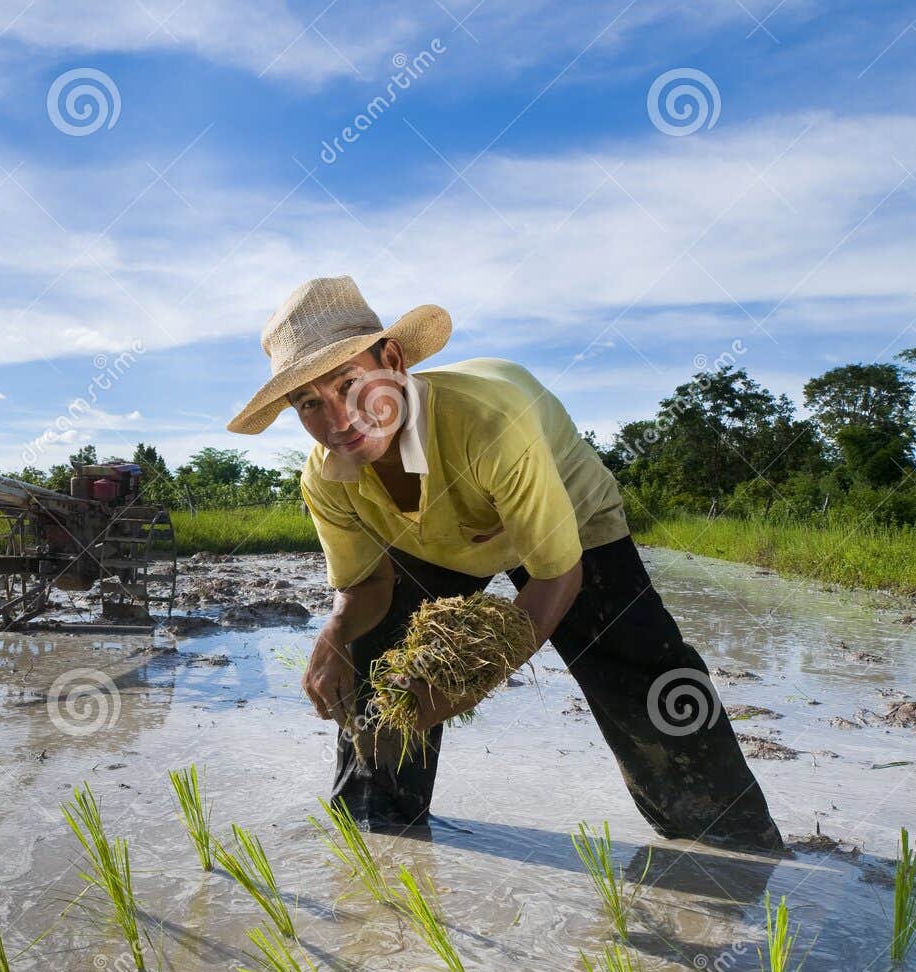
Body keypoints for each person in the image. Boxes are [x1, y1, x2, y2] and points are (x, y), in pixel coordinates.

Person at [226, 276, 784, 852]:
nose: (338, 419)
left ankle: (734, 841)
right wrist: (337, 631)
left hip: (569, 516)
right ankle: (379, 837)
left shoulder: (491, 422)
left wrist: (477, 677)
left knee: (642, 674)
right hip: (436, 538)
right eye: (309, 402)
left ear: (391, 361)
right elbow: (366, 582)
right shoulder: (325, 475)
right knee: (377, 662)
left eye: (349, 383)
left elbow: (556, 573)